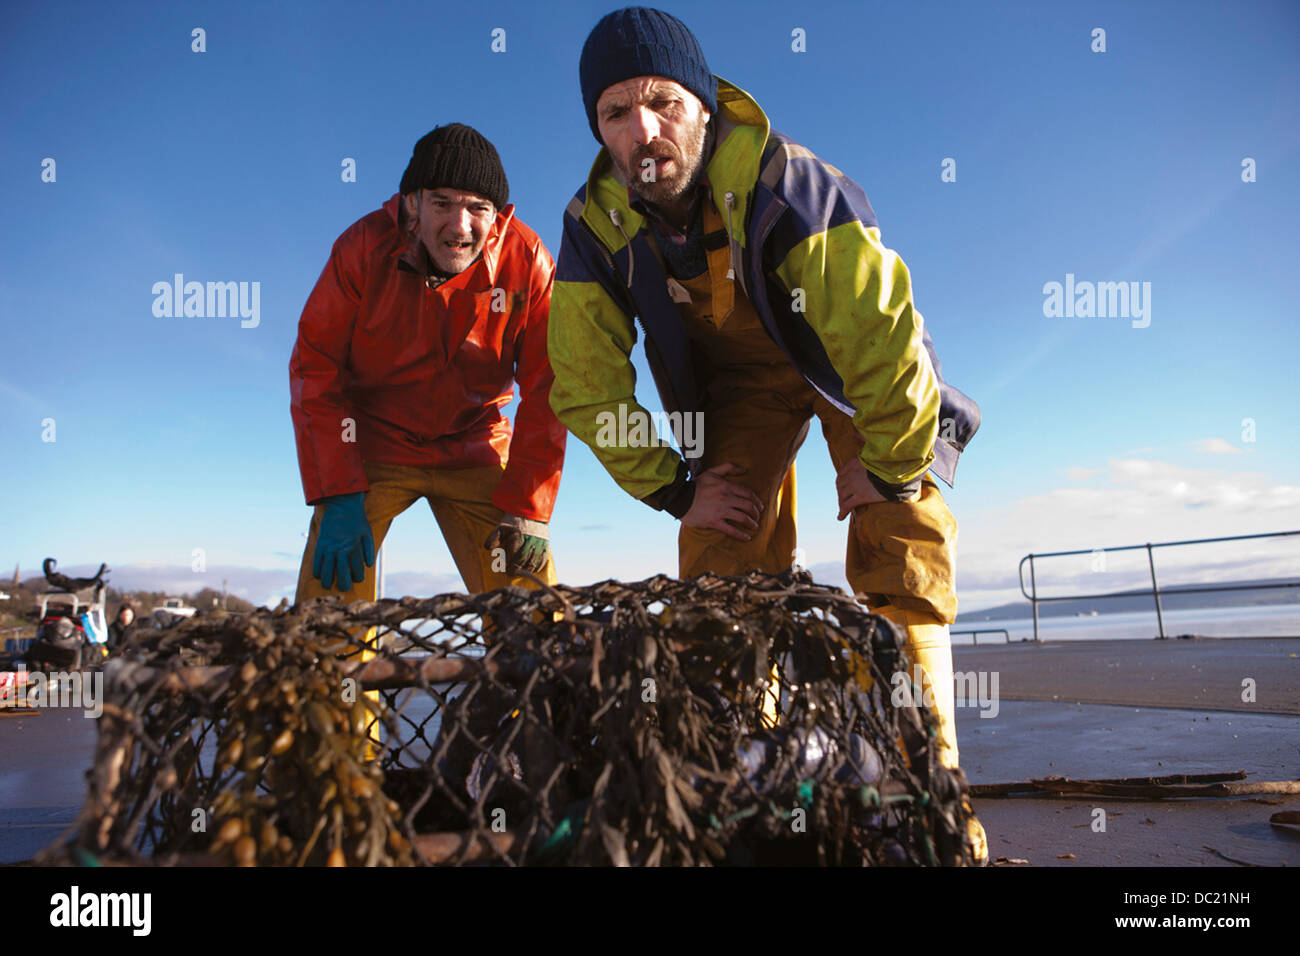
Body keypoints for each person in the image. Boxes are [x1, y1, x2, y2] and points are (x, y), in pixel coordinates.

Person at [548, 7, 984, 852]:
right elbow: (586, 382)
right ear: (597, 130)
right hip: (738, 390)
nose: (643, 131)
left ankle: (937, 802)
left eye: (663, 103)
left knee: (902, 549)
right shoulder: (591, 227)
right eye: (615, 113)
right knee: (719, 572)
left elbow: (883, 337)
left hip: (846, 368)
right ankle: (754, 773)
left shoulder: (792, 185)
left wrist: (894, 466)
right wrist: (676, 488)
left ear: (705, 106)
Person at [290, 124, 566, 605]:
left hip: (475, 443)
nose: (460, 226)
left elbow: (549, 386)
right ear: (411, 203)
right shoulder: (360, 249)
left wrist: (530, 506)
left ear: (498, 216)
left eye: (478, 208)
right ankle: (336, 680)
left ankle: (537, 678)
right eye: (443, 202)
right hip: (373, 443)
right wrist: (336, 491)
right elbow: (317, 369)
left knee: (530, 597)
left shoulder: (529, 261)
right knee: (330, 601)